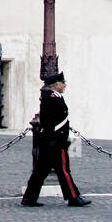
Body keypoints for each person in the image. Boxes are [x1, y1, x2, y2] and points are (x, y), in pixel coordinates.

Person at [21, 72, 91, 208]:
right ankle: (73, 197)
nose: (65, 85)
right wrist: (54, 139)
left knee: (40, 171)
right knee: (63, 170)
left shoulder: (53, 97)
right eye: (62, 83)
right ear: (56, 85)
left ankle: (29, 198)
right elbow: (49, 122)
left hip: (50, 141)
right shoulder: (52, 98)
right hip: (55, 142)